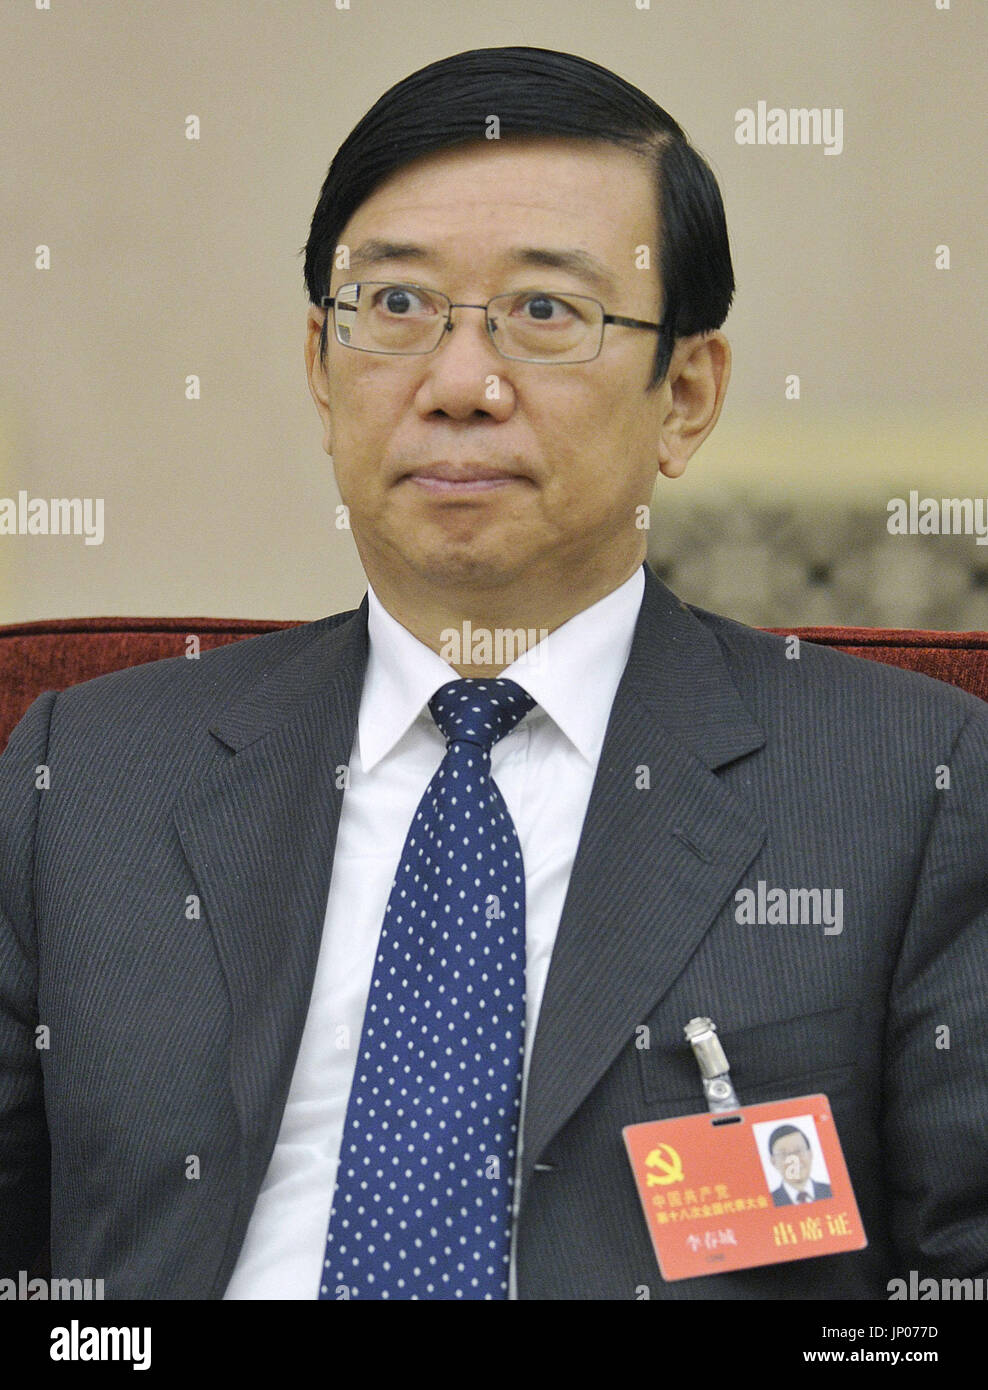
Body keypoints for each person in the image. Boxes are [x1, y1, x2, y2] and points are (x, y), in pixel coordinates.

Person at [0, 46, 985, 1302]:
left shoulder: (911, 784)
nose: (459, 385)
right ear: (320, 365)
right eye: (396, 308)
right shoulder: (84, 777)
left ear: (685, 393)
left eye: (545, 314)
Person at [767, 1125, 833, 1206]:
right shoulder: (768, 1202)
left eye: (798, 1151)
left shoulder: (832, 1191)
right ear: (773, 1162)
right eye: (783, 1154)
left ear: (810, 1154)